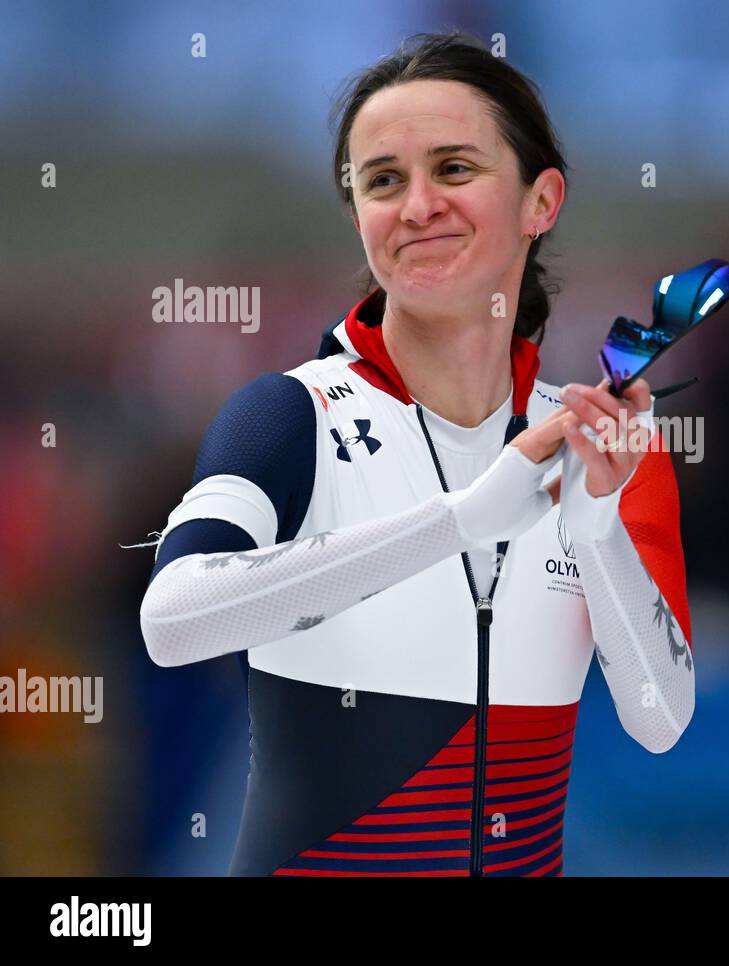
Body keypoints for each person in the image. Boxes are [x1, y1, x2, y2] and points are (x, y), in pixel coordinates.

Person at [136, 32, 694, 877]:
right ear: (358, 215)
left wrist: (596, 529)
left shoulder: (603, 450)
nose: (418, 204)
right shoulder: (295, 414)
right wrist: (464, 520)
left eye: (455, 169)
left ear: (542, 201)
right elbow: (172, 621)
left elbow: (660, 717)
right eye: (384, 181)